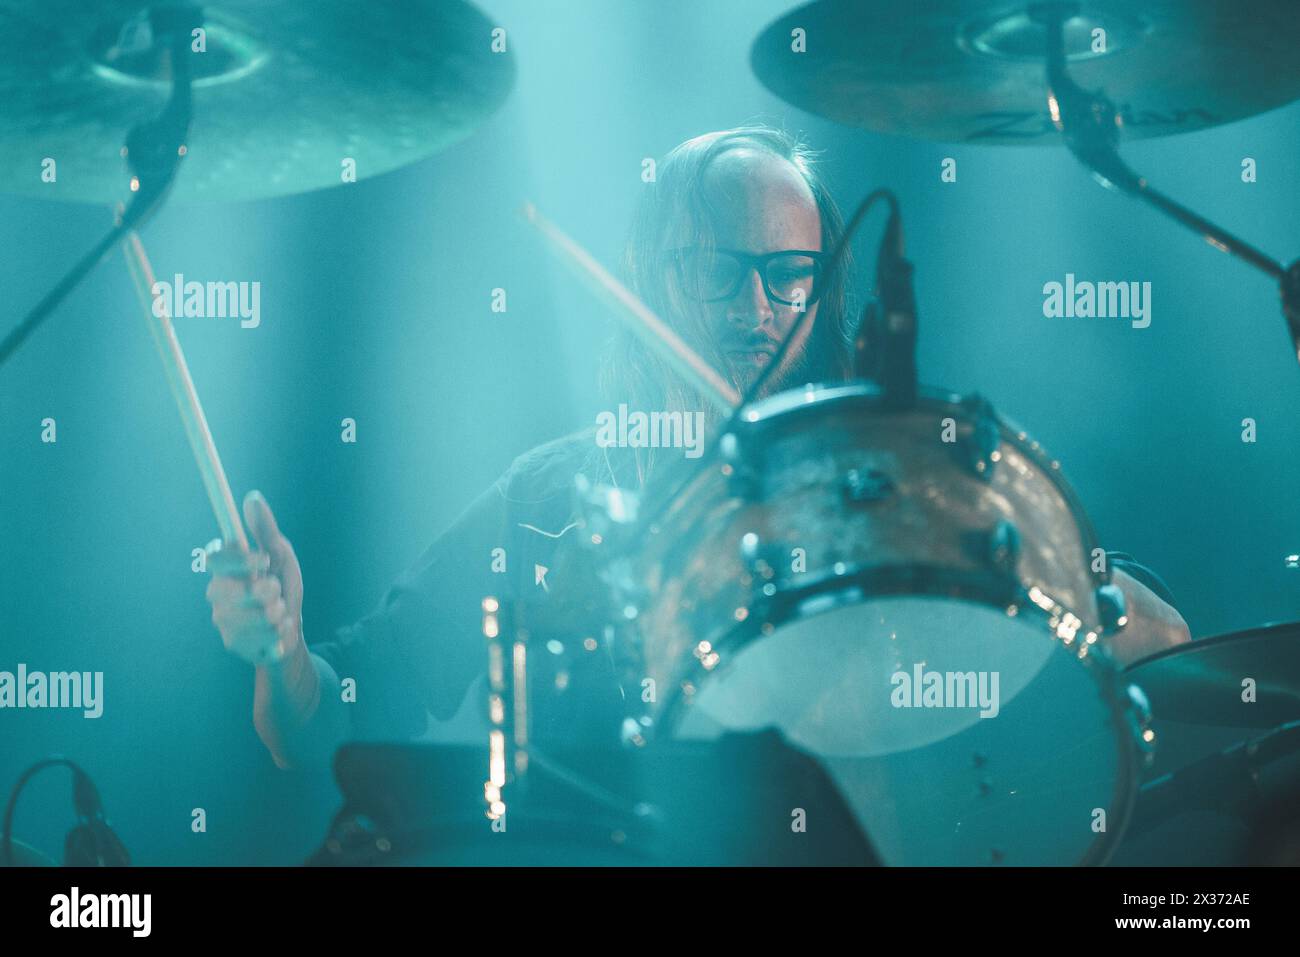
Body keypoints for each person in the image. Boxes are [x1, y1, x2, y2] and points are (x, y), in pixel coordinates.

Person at [205, 126, 1191, 771]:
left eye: (789, 273)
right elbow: (323, 724)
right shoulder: (550, 497)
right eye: (717, 270)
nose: (755, 306)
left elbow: (1162, 636)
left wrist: (1007, 553)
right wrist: (280, 651)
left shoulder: (892, 478)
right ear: (649, 278)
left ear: (826, 289)